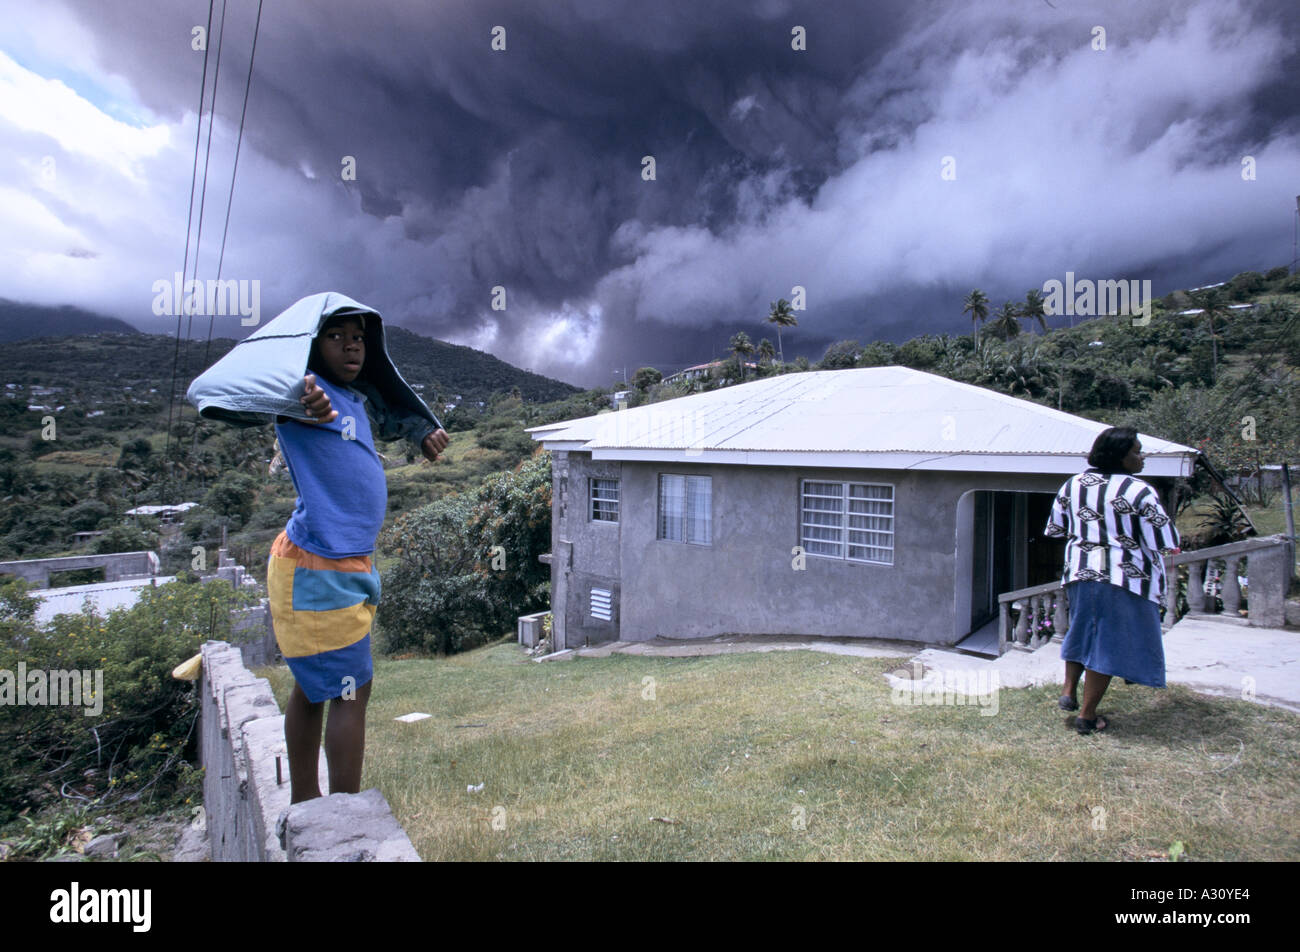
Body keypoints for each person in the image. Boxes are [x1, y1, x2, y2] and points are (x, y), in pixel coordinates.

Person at [187, 293, 449, 802]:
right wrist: (297, 393)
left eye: (358, 338)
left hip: (342, 564)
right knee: (353, 687)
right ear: (311, 345)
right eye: (336, 337)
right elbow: (215, 391)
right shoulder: (305, 393)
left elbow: (392, 415)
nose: (351, 347)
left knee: (315, 687)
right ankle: (342, 817)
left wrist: (422, 433)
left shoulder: (355, 397)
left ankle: (305, 802)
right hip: (316, 567)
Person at [1045, 426, 1180, 735]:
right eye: (1136, 451)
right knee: (1107, 643)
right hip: (1122, 577)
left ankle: (1068, 690)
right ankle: (1087, 715)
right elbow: (1166, 539)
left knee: (1083, 628)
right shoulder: (1138, 490)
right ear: (1119, 456)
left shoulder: (1074, 484)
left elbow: (1055, 528)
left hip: (1080, 570)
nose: (1141, 457)